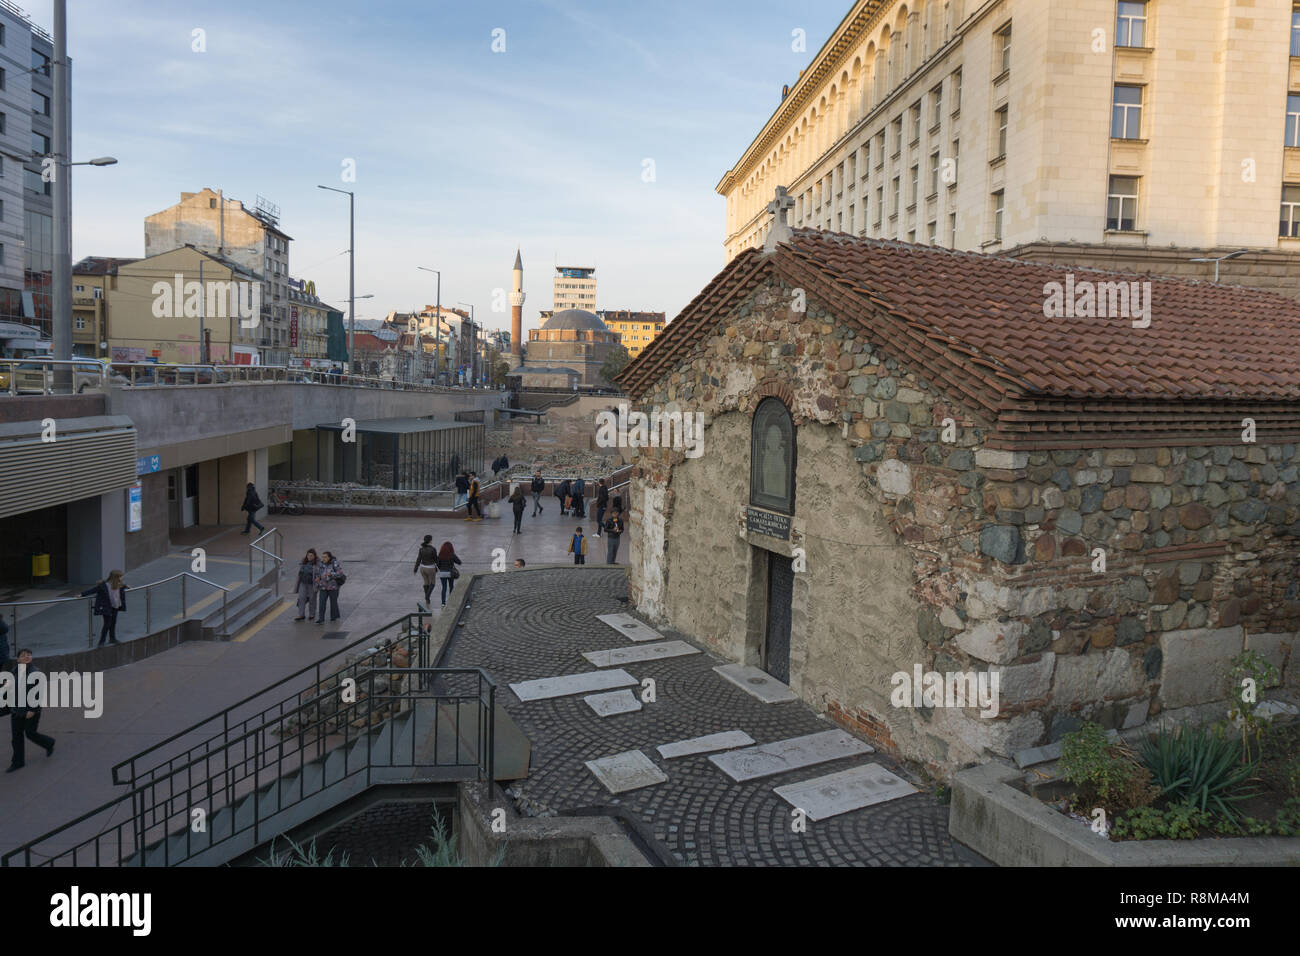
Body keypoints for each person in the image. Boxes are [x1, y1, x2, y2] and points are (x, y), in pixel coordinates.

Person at [7, 649, 55, 772]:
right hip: (17, 710)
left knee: (30, 733)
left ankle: (49, 743)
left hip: (31, 710)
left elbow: (38, 694)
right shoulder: (14, 672)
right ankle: (18, 762)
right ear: (18, 660)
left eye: (29, 655)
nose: (27, 657)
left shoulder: (36, 673)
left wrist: (32, 709)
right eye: (23, 655)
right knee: (16, 737)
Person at [80, 570, 128, 646]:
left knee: (113, 623)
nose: (121, 578)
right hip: (107, 607)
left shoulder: (119, 585)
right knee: (107, 624)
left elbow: (122, 586)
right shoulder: (104, 585)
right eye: (120, 577)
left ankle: (112, 638)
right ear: (115, 577)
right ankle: (102, 641)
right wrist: (82, 594)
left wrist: (126, 586)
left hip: (115, 606)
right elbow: (92, 590)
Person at [314, 551, 343, 624]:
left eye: (325, 557)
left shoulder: (334, 563)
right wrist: (318, 579)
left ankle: (333, 617)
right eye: (323, 557)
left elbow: (340, 573)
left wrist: (331, 574)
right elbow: (317, 573)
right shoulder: (320, 564)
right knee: (321, 603)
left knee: (333, 603)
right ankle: (321, 619)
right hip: (323, 587)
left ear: (329, 557)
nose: (323, 558)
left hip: (333, 587)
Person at [414, 535, 440, 605]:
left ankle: (427, 599)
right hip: (430, 568)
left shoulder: (421, 549)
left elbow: (418, 559)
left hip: (422, 568)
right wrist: (439, 567)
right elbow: (436, 559)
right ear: (430, 541)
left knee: (426, 582)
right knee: (433, 583)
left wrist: (415, 569)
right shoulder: (433, 549)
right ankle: (427, 596)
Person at [294, 549, 319, 621]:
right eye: (308, 555)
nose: (309, 557)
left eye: (311, 555)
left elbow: (319, 573)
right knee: (301, 598)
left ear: (314, 556)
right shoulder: (303, 562)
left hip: (312, 584)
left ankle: (312, 614)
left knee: (312, 599)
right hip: (303, 583)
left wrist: (317, 578)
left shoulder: (317, 563)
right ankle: (301, 615)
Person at [435, 541, 462, 607]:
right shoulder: (452, 554)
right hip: (450, 573)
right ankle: (451, 601)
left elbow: (438, 564)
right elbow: (459, 562)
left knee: (444, 587)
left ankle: (443, 603)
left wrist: (441, 568)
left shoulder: (440, 555)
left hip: (442, 573)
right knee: (451, 586)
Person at [604, 498, 626, 565]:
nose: (615, 514)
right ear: (611, 514)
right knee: (610, 551)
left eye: (616, 513)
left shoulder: (620, 520)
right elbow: (605, 529)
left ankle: (613, 561)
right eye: (613, 513)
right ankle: (608, 563)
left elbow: (622, 529)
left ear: (618, 513)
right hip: (611, 538)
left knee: (615, 551)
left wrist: (620, 531)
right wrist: (612, 530)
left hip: (617, 537)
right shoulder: (609, 520)